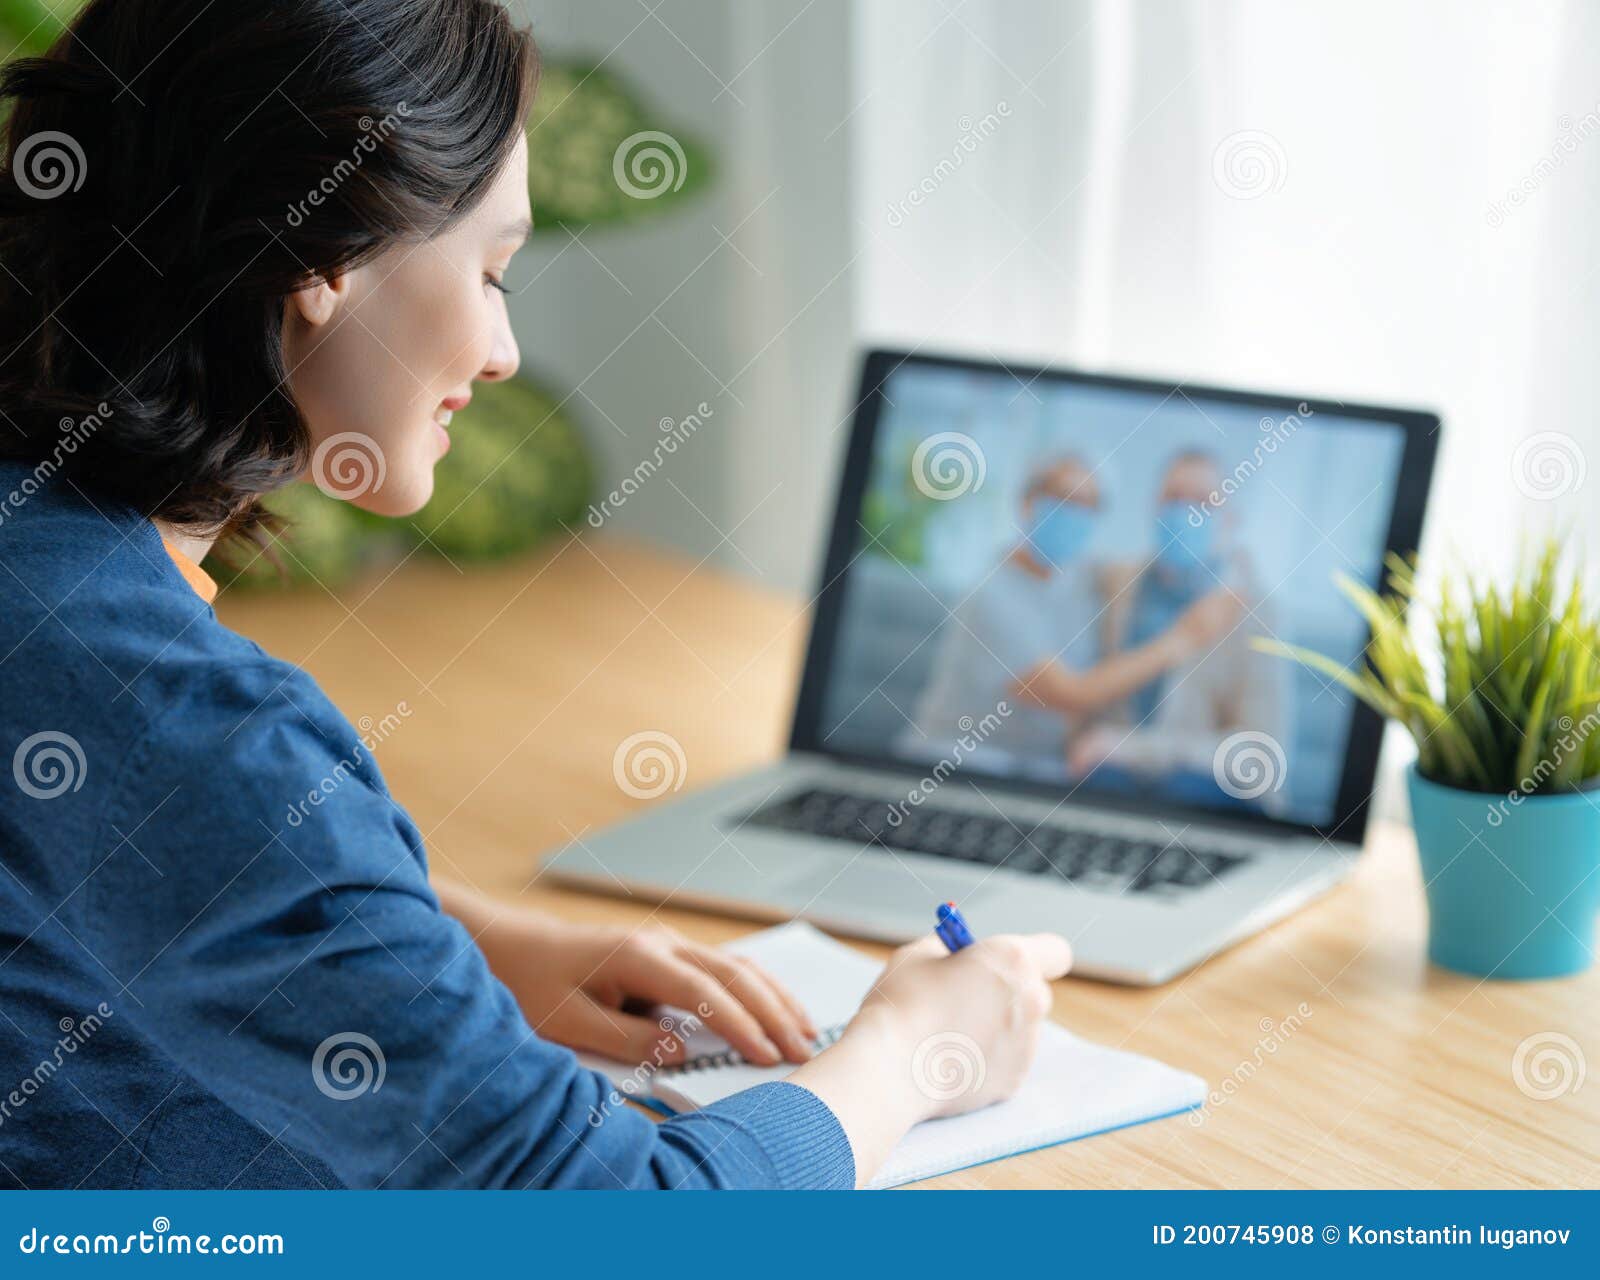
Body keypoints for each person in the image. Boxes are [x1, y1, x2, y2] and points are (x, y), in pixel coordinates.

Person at [0, 0, 1070, 1190]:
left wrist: (471, 946)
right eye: (493, 269)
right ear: (325, 260)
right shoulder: (180, 711)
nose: (503, 350)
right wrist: (913, 1052)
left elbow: (108, 856)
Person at [908, 455, 1240, 778]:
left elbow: (1133, 574)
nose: (1074, 513)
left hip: (1041, 771)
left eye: (1087, 504)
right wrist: (1182, 639)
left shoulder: (1080, 582)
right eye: (1063, 498)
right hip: (958, 766)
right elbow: (1073, 695)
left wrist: (1231, 570)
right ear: (1028, 502)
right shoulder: (992, 597)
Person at [1067, 450, 1291, 810]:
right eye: (1173, 498)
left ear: (1230, 519)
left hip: (1205, 789)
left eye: (1204, 501)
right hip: (1116, 781)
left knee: (1180, 788)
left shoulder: (1255, 610)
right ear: (1154, 507)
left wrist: (1138, 751)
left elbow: (1260, 753)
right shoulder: (1116, 584)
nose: (1186, 512)